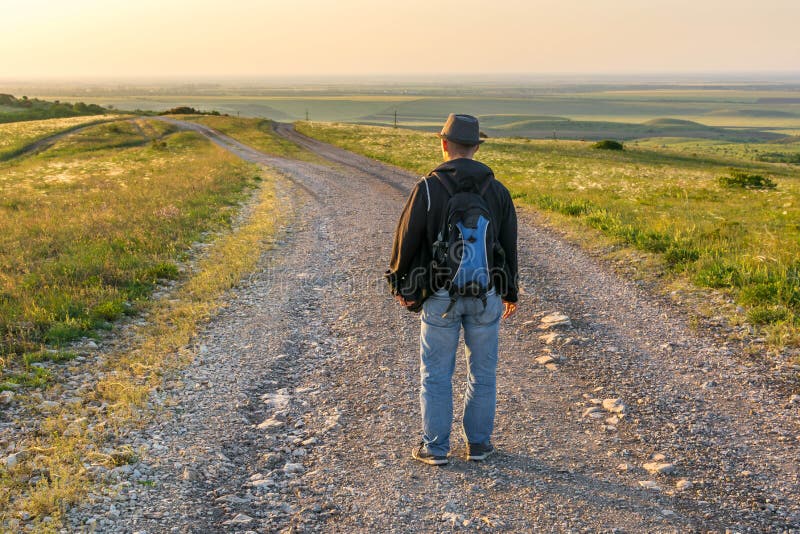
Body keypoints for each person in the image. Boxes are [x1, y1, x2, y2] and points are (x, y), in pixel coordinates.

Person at [385, 113, 519, 466]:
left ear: (444, 144)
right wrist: (510, 292)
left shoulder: (428, 188)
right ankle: (479, 445)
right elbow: (509, 245)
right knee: (483, 374)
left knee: (436, 375)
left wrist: (400, 283)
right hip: (487, 294)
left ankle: (435, 448)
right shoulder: (497, 191)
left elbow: (406, 239)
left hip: (439, 295)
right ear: (476, 147)